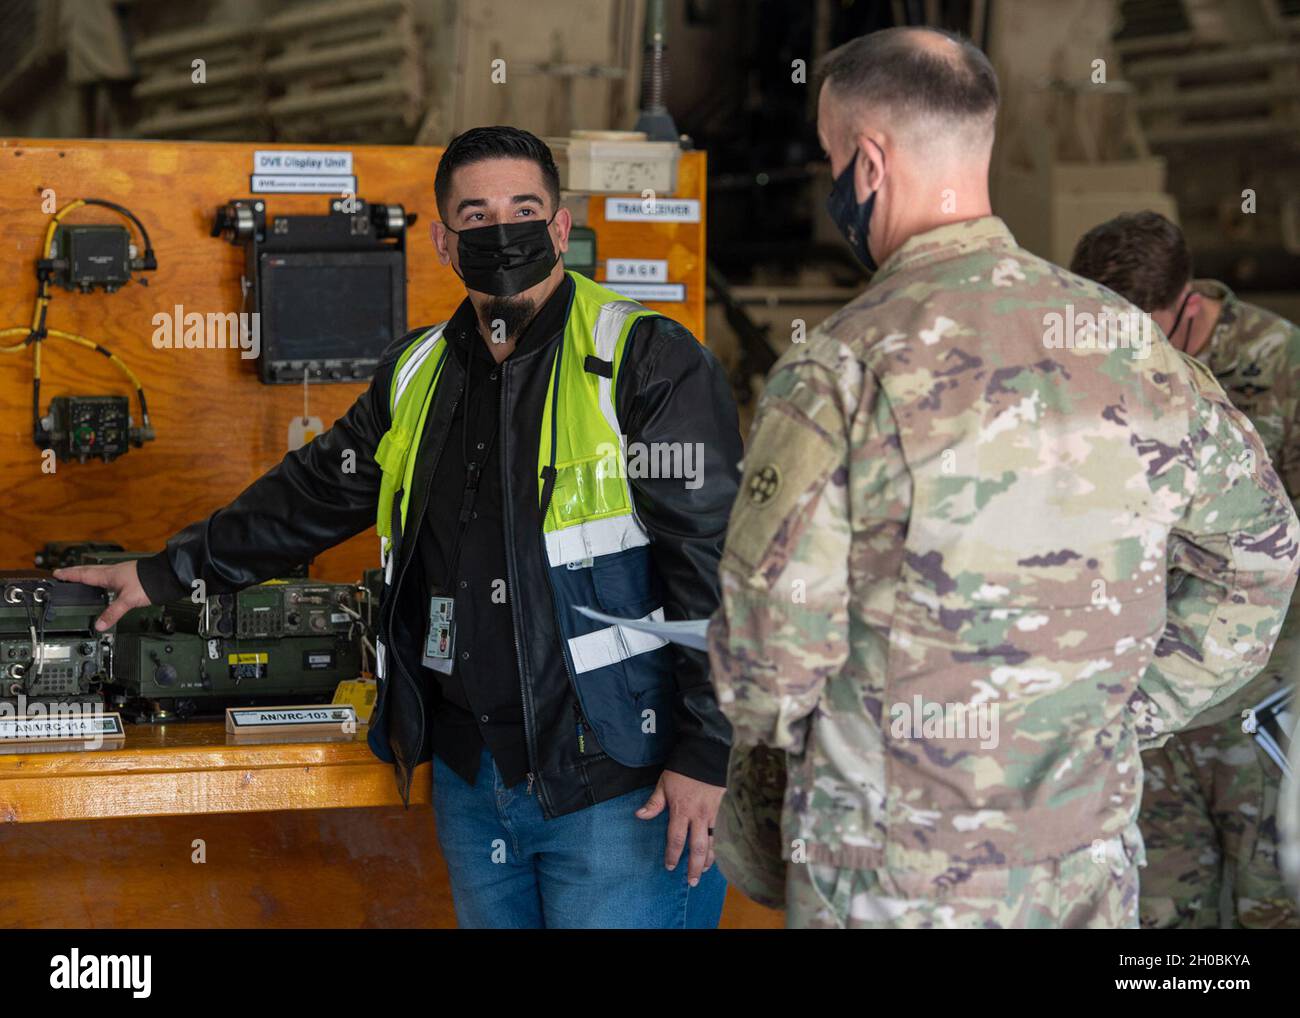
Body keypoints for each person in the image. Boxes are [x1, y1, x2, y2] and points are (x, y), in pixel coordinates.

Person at [59, 126, 741, 930]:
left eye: (524, 209)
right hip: (470, 779)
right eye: (476, 216)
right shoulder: (418, 372)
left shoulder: (645, 359)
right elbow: (312, 495)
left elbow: (720, 566)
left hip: (619, 784)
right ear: (447, 244)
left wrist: (710, 748)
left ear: (560, 227)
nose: (502, 231)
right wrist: (165, 573)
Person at [707, 26, 1300, 929]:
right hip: (1082, 866)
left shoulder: (843, 367)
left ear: (867, 163)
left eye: (832, 158)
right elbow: (1261, 552)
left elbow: (764, 666)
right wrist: (1126, 710)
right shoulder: (1131, 346)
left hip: (892, 875)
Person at [1071, 210, 1300, 928]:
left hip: (1259, 692)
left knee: (1270, 893)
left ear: (1189, 308)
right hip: (1150, 691)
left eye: (1139, 337)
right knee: (1166, 905)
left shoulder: (1281, 362)